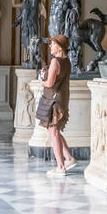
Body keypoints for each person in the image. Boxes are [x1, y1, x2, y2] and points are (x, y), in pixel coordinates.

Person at [39, 34, 76, 176]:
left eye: (52, 44)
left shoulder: (55, 61)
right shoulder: (67, 61)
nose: (50, 46)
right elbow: (58, 78)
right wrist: (46, 74)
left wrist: (41, 80)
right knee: (55, 131)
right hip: (62, 99)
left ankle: (60, 167)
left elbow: (49, 83)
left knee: (53, 132)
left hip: (53, 100)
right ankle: (69, 158)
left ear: (59, 47)